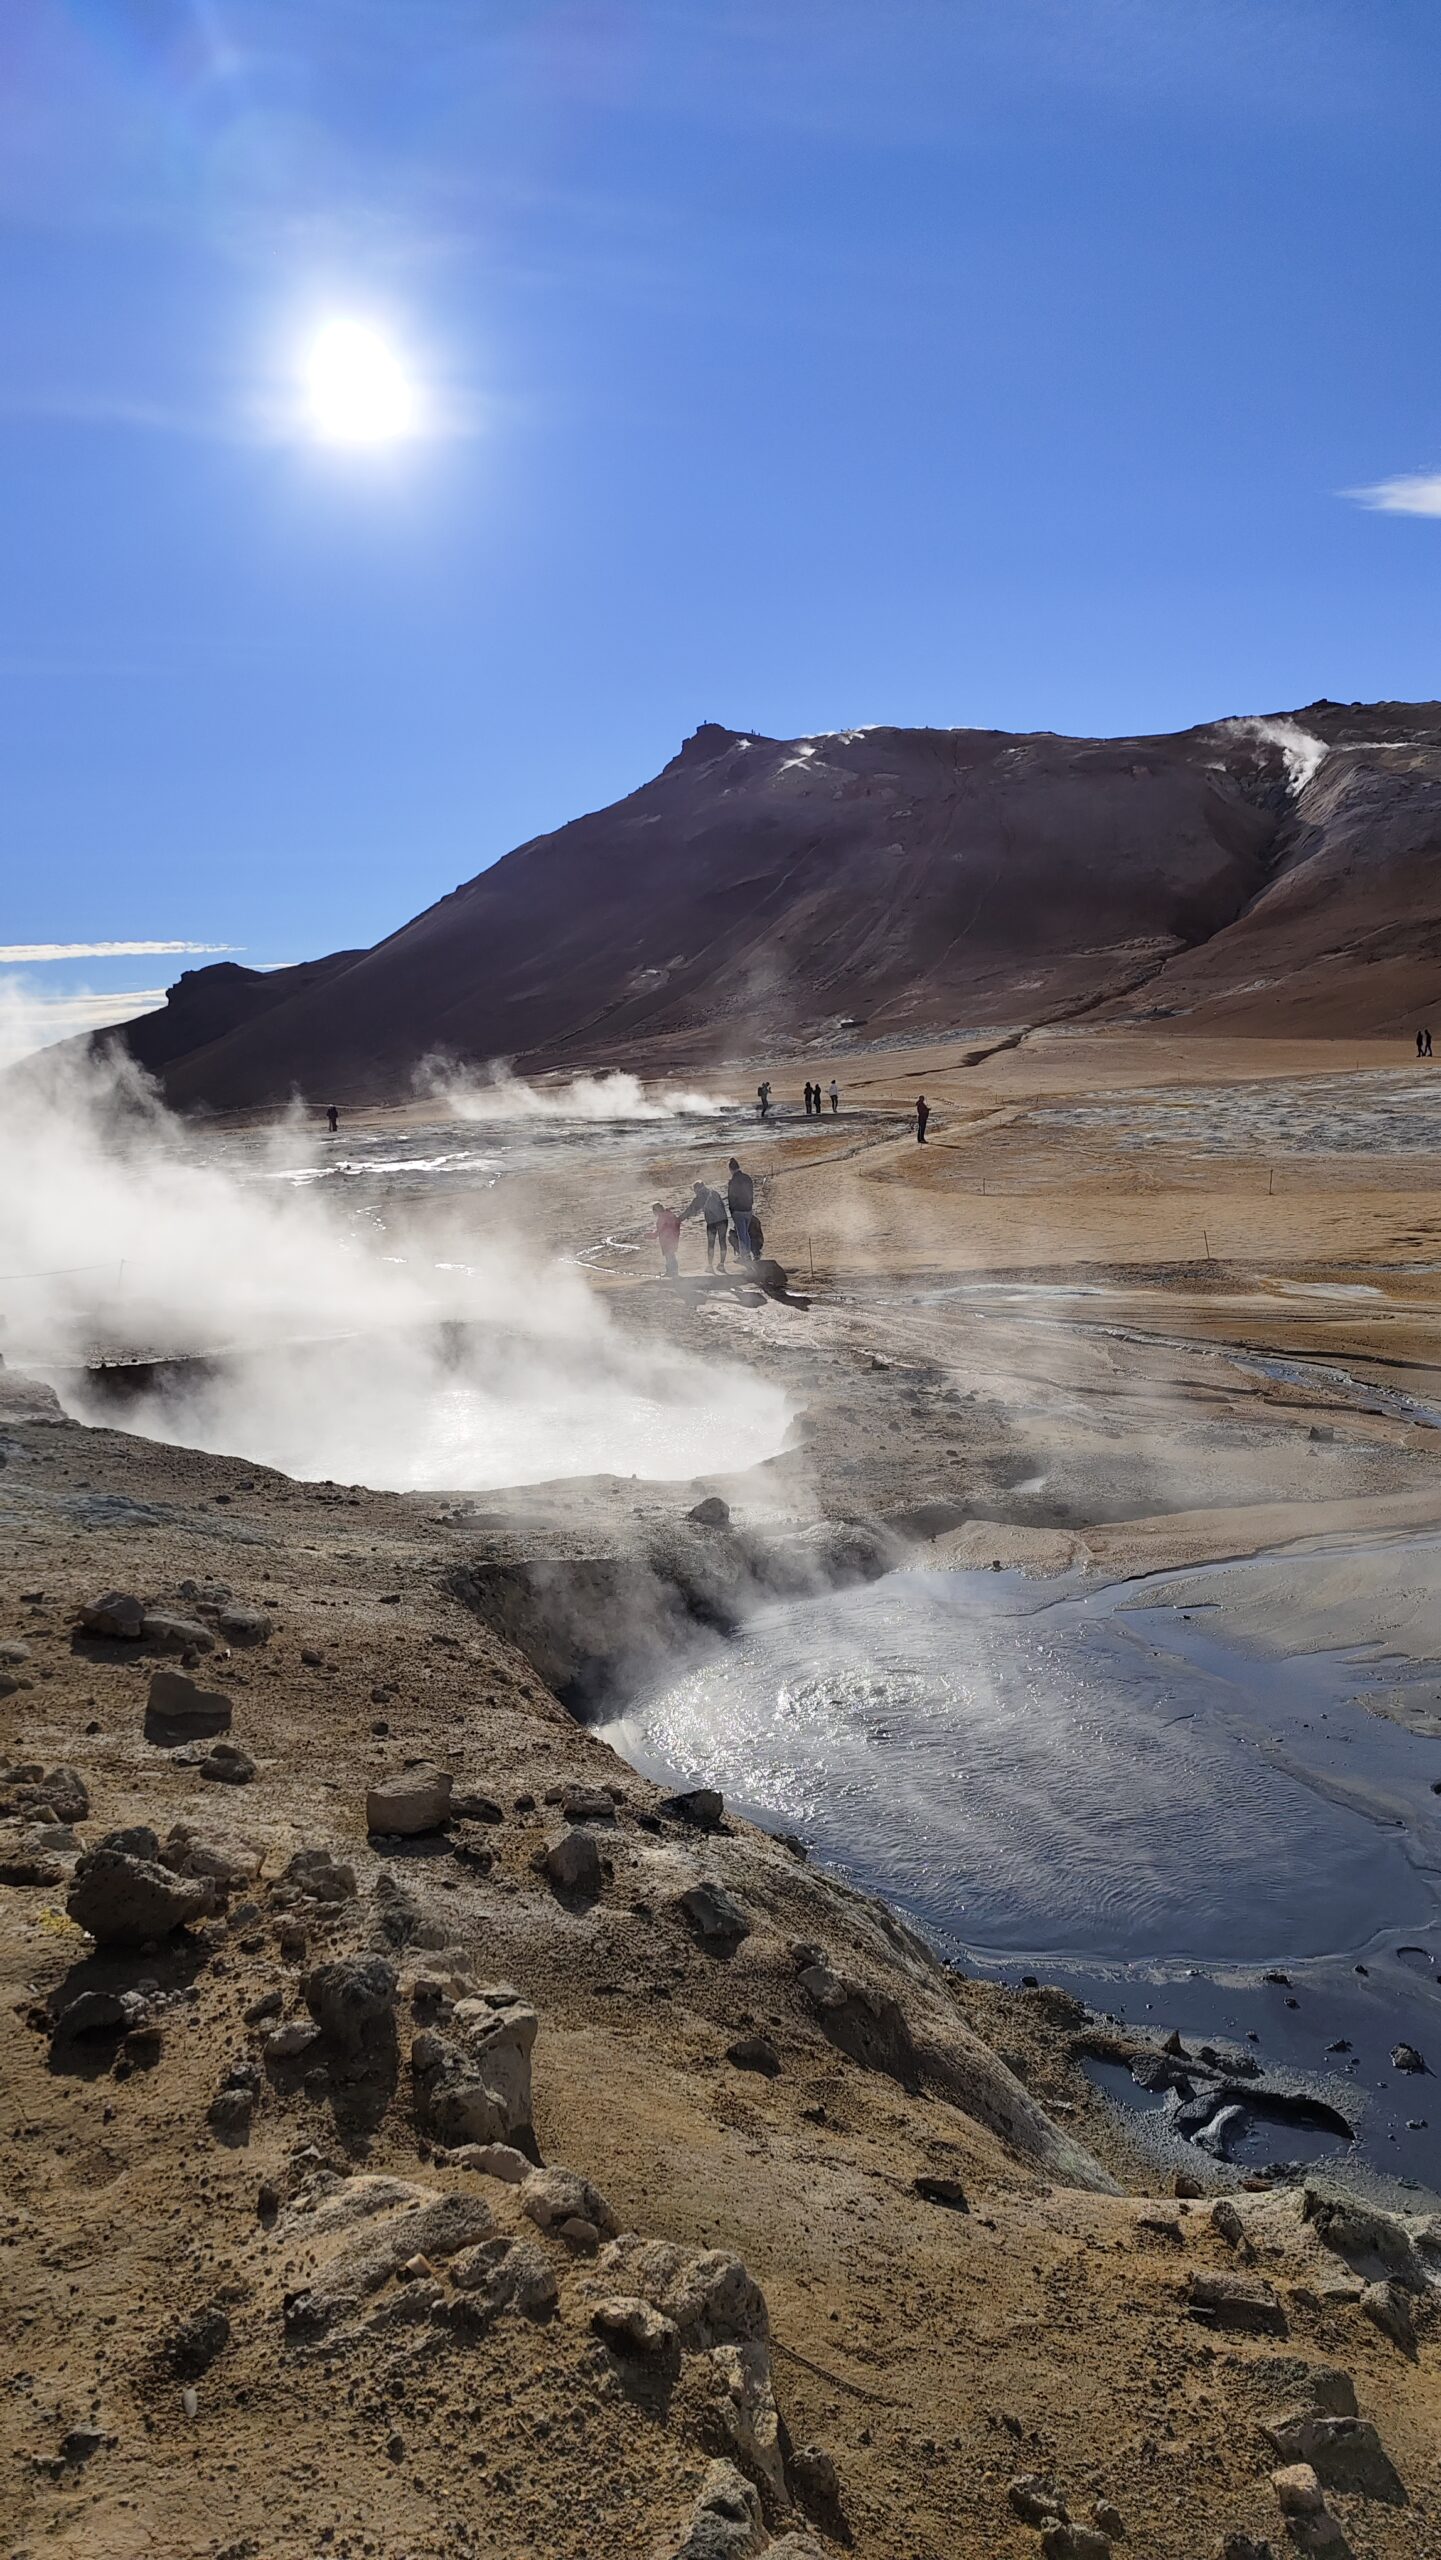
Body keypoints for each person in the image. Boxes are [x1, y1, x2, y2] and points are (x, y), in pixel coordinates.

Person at [682, 1179, 730, 1269]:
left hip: (712, 1222)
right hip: (723, 1219)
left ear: (697, 1189)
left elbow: (691, 1209)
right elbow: (722, 1205)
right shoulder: (714, 1192)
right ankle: (722, 1264)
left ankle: (710, 1265)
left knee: (711, 1244)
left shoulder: (700, 1197)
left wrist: (679, 1219)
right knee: (722, 1241)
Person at [727, 1156, 756, 1259]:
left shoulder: (732, 1182)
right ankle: (747, 1252)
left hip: (738, 1210)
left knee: (741, 1234)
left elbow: (731, 1198)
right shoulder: (747, 1178)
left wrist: (731, 1210)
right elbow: (751, 1193)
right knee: (746, 1233)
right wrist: (750, 1204)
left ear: (730, 1169)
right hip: (748, 1209)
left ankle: (745, 1254)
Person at [651, 1200, 681, 1279]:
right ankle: (671, 1272)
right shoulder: (668, 1214)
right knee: (670, 1255)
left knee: (669, 1255)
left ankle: (672, 1272)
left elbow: (660, 1229)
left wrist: (652, 1235)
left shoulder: (663, 1217)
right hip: (671, 1237)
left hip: (667, 1239)